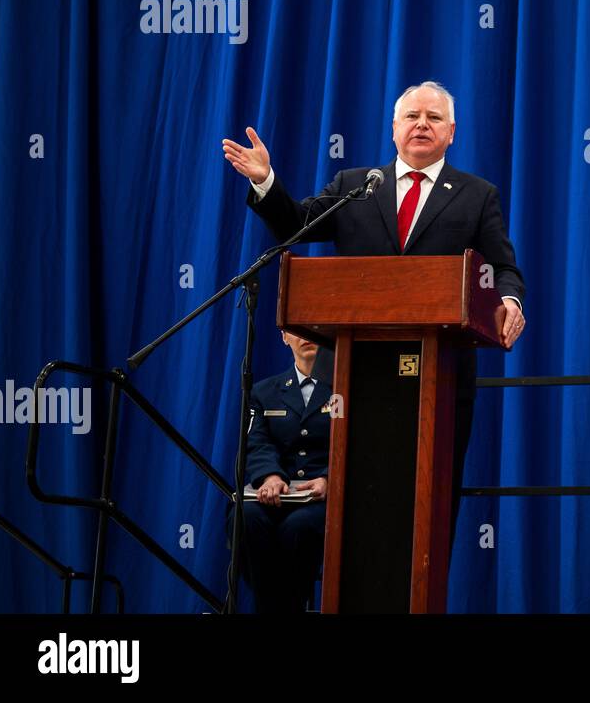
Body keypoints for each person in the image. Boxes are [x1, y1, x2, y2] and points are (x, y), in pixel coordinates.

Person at [221, 80, 526, 548]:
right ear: (394, 128)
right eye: (412, 116)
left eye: (434, 118)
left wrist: (510, 300)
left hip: (439, 378)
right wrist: (266, 180)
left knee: (428, 513)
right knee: (355, 515)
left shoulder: (476, 194)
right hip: (354, 377)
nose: (422, 124)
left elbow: (502, 266)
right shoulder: (356, 185)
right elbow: (295, 225)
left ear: (452, 132)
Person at [238, 329, 332, 613]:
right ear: (283, 337)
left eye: (313, 325)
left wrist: (330, 478)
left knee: (298, 528)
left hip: (321, 497)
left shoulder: (344, 387)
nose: (305, 333)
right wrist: (270, 476)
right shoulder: (264, 391)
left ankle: (286, 608)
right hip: (275, 490)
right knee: (246, 516)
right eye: (296, 328)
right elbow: (257, 441)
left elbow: (354, 441)